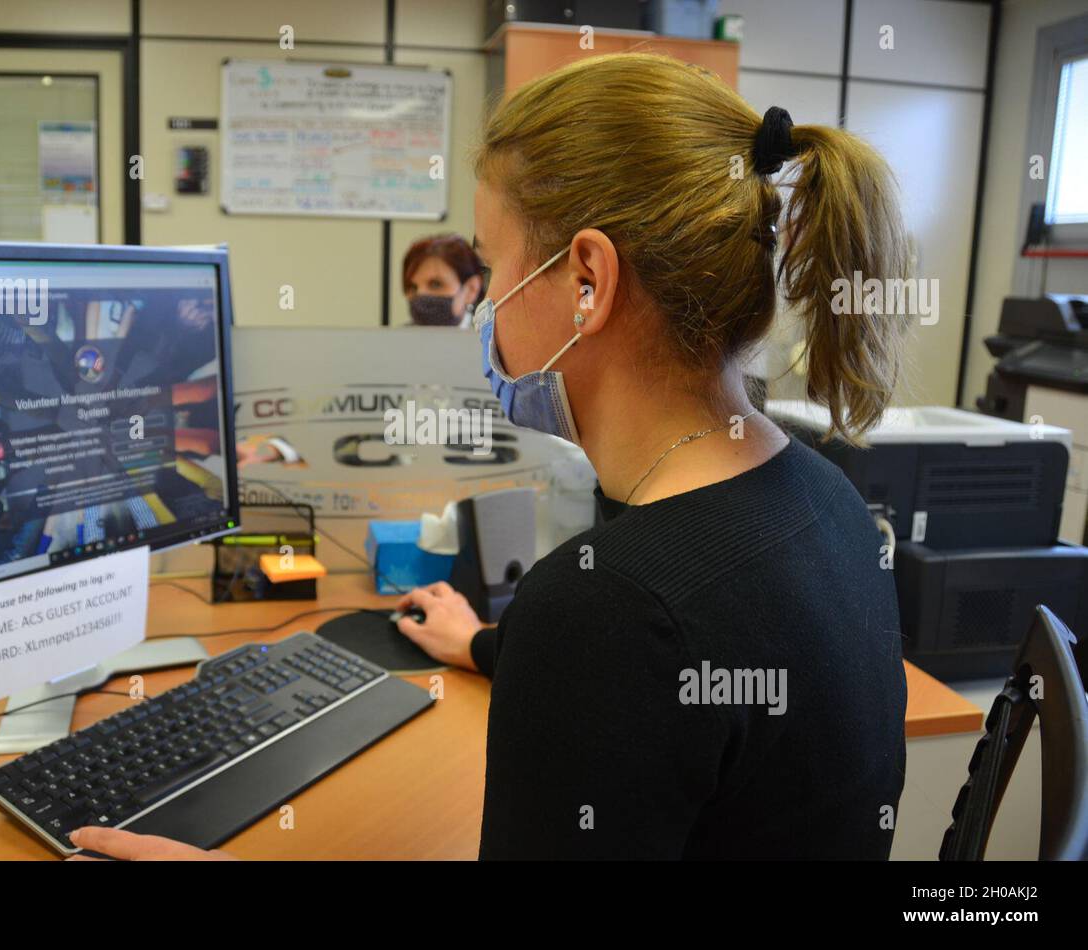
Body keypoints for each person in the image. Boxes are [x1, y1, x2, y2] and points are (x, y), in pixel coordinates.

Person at [69, 51, 910, 861]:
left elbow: (633, 652)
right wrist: (484, 646)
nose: (485, 310)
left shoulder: (609, 610)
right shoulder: (827, 504)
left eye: (489, 264)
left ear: (588, 279)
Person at [401, 233, 485, 326]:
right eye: (413, 287)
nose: (421, 294)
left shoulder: (489, 339)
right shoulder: (396, 339)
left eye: (435, 284)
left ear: (471, 289)